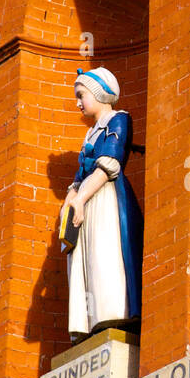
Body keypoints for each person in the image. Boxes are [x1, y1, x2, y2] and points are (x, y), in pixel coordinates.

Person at [63, 67, 143, 341]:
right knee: (87, 258)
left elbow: (108, 165)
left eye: (81, 95)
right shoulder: (89, 134)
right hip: (87, 200)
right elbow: (79, 177)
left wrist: (81, 198)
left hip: (106, 198)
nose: (78, 103)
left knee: (105, 253)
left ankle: (113, 311)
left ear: (98, 94)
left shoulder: (118, 120)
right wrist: (71, 199)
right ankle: (92, 319)